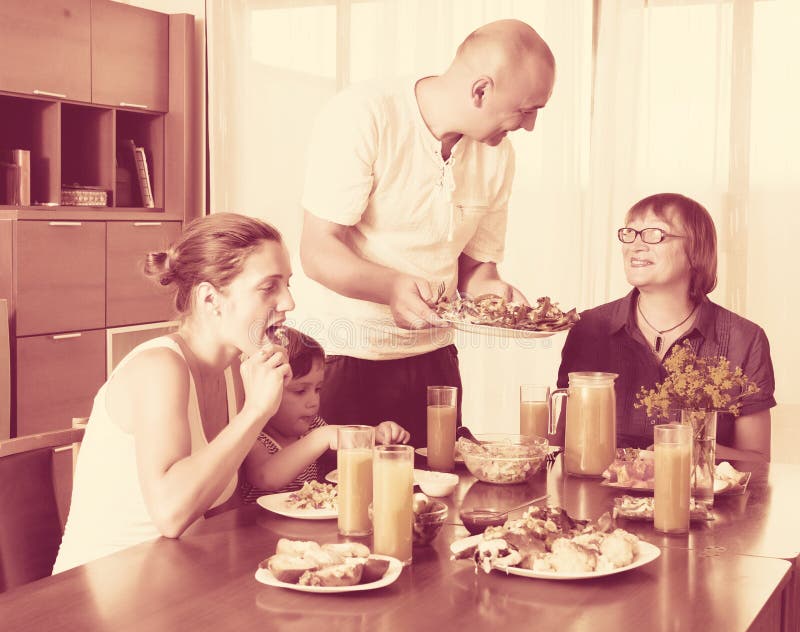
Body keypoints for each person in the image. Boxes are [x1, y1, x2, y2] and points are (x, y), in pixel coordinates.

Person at [299, 19, 556, 446]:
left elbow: (477, 269)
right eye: (527, 110)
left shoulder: (498, 155)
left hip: (435, 359)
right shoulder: (364, 114)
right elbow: (317, 250)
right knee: (343, 486)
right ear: (481, 91)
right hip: (345, 356)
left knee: (442, 482)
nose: (529, 126)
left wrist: (495, 295)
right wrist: (391, 287)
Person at [53, 213, 295, 573]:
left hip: (176, 579)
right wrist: (256, 411)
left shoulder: (235, 371)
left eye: (288, 284)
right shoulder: (159, 368)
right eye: (269, 287)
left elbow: (224, 498)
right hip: (98, 593)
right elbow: (170, 514)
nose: (289, 302)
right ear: (211, 299)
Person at [556, 193, 775, 461]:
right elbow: (561, 446)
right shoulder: (588, 328)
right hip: (602, 487)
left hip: (698, 489)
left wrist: (697, 449)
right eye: (630, 233)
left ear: (696, 250)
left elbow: (758, 460)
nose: (636, 245)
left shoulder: (744, 339)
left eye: (655, 234)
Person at [239, 327, 409, 502]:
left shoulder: (312, 426)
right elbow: (265, 477)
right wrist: (322, 436)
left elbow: (343, 445)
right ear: (264, 390)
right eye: (300, 391)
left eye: (318, 389)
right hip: (263, 520)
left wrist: (377, 434)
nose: (313, 401)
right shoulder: (255, 437)